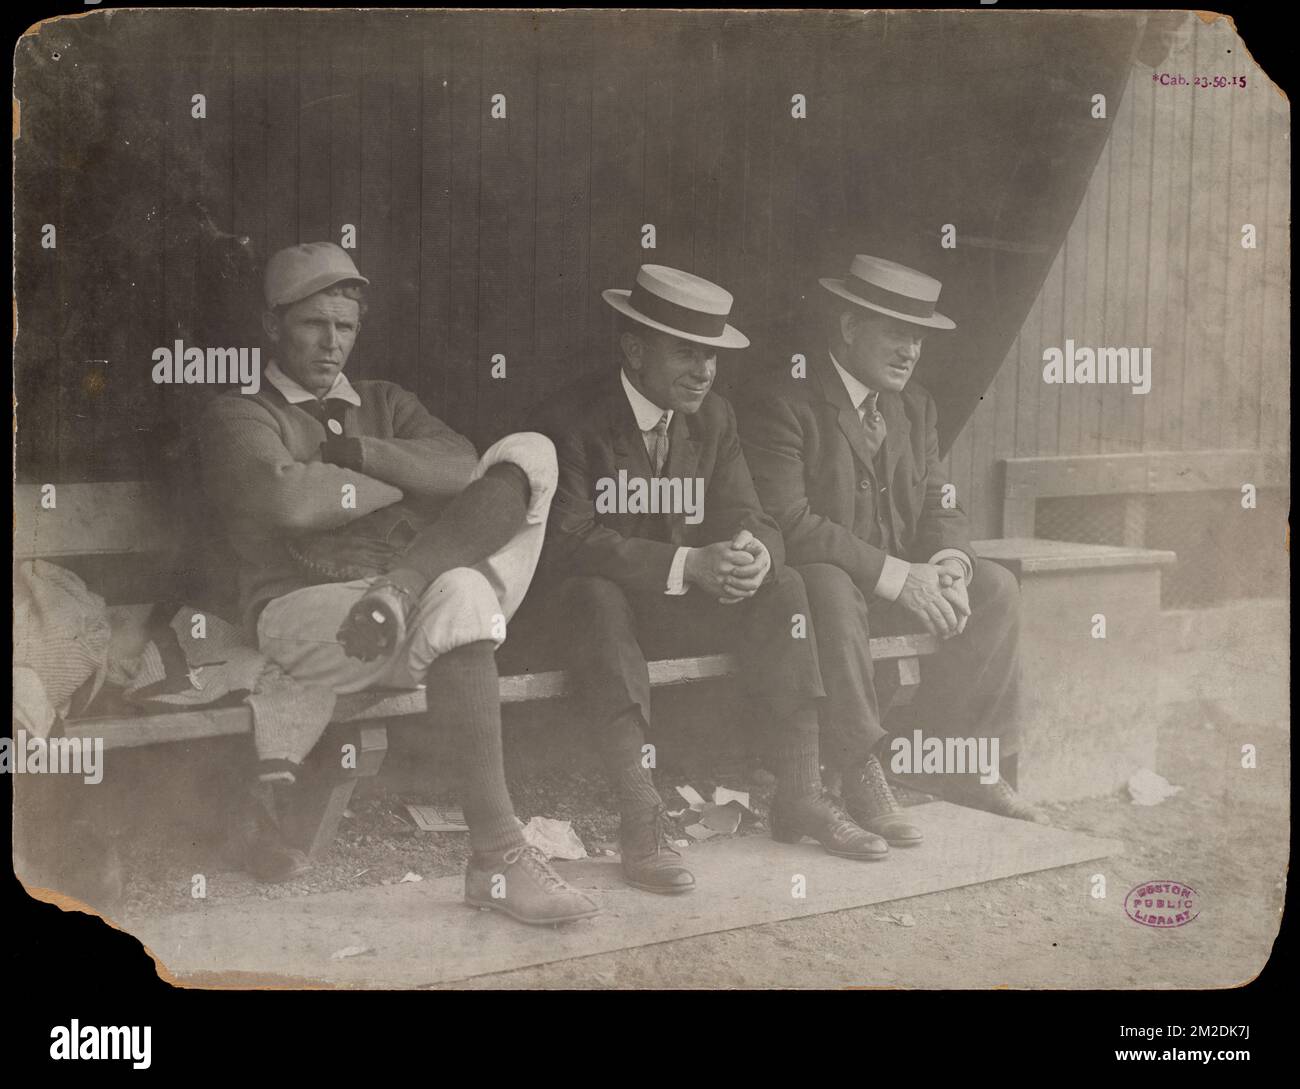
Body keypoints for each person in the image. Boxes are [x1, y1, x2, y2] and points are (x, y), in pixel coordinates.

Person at [199, 241, 600, 925]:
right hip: (300, 614)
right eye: (312, 325)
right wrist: (406, 484)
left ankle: (406, 586)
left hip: (398, 602)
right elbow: (293, 503)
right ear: (272, 327)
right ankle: (499, 854)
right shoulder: (242, 412)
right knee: (465, 592)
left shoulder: (384, 401)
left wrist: (361, 456)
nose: (332, 344)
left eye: (345, 327)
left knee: (531, 454)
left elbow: (467, 464)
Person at [530, 264, 888, 896]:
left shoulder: (712, 417)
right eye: (686, 353)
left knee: (787, 589)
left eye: (712, 356)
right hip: (589, 616)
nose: (703, 370)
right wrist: (688, 564)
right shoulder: (572, 417)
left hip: (673, 607)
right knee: (594, 597)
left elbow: (755, 515)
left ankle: (800, 795)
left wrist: (754, 553)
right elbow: (566, 542)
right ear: (635, 349)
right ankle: (641, 815)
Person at [737, 254, 1046, 840]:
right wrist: (899, 575)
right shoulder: (785, 400)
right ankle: (860, 766)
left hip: (896, 580)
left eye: (919, 340)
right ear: (851, 328)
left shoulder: (914, 406)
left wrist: (948, 564)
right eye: (898, 335)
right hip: (820, 596)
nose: (911, 352)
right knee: (825, 581)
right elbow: (788, 522)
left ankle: (961, 764)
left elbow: (940, 501)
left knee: (996, 587)